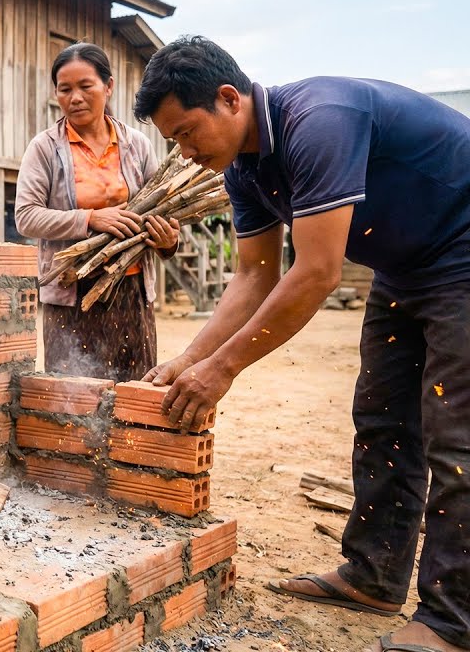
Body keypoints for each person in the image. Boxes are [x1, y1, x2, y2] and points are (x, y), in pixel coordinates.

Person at [134, 35, 470, 652]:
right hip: (405, 267)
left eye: (186, 132)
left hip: (463, 252)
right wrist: (189, 359)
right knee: (382, 417)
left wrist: (223, 370)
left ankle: (454, 621)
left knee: (457, 432)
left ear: (229, 99)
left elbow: (316, 272)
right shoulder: (241, 168)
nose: (183, 151)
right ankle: (374, 575)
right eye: (172, 140)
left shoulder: (317, 122)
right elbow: (254, 275)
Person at [15, 42, 180, 382]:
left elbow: (162, 208)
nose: (74, 97)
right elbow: (26, 215)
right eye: (64, 89)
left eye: (85, 86)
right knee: (71, 402)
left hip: (131, 294)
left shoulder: (138, 145)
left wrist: (168, 241)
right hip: (71, 295)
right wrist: (90, 218)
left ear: (108, 86)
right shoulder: (45, 148)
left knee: (135, 396)